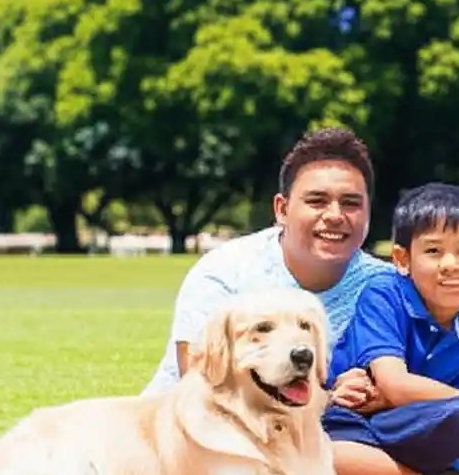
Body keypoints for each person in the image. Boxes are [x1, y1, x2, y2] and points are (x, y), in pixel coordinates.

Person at [142, 127, 392, 396]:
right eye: (317, 201)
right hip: (191, 430)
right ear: (282, 210)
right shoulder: (227, 272)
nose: (334, 215)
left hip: (319, 434)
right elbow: (198, 380)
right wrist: (327, 399)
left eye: (351, 203)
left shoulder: (387, 287)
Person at [322, 183, 459, 475]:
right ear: (402, 258)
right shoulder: (384, 294)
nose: (451, 264)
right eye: (433, 251)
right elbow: (393, 381)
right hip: (352, 419)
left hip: (417, 428)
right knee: (329, 458)